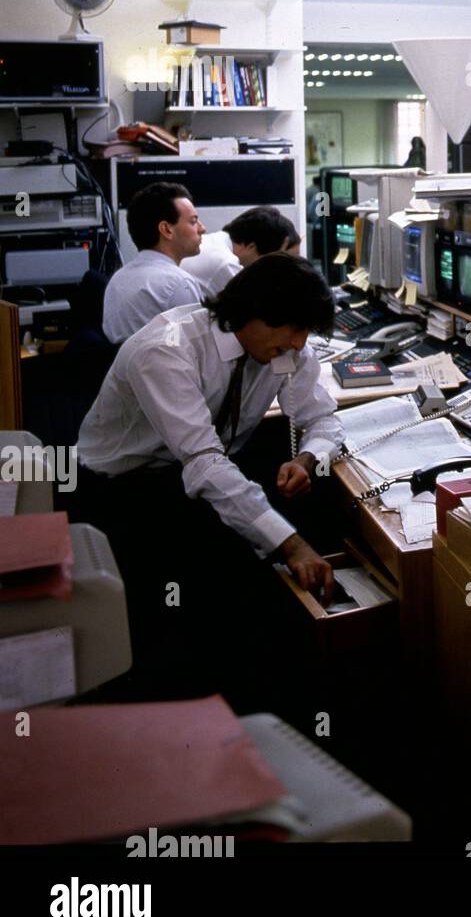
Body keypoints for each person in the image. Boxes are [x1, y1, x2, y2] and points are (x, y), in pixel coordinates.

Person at [76, 256, 344, 696]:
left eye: (305, 332)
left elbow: (324, 420)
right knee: (221, 597)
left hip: (204, 470)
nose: (299, 344)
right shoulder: (165, 349)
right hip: (126, 486)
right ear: (249, 312)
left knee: (296, 534)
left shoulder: (284, 345)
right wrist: (292, 544)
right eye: (293, 329)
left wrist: (310, 458)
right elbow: (203, 462)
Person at [103, 181, 205, 342]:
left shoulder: (117, 279)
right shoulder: (178, 283)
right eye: (193, 221)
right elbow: (194, 349)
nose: (202, 228)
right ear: (166, 229)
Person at [181, 206, 300, 296]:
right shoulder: (225, 263)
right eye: (280, 261)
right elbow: (263, 309)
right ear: (252, 247)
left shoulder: (214, 241)